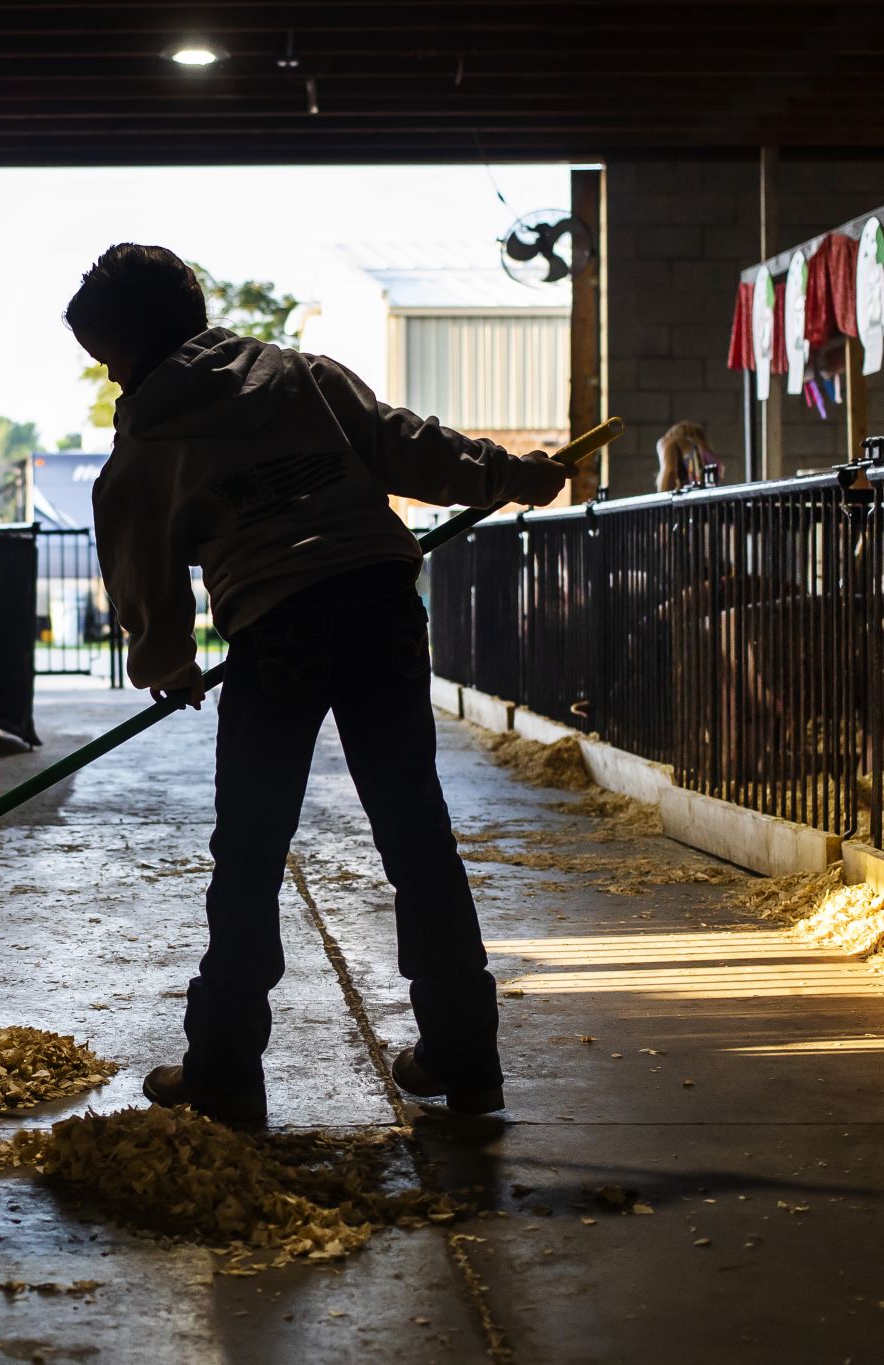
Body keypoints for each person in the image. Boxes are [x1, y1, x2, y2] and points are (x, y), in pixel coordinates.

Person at [71, 244, 568, 1121]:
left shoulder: (148, 437)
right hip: (381, 602)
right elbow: (412, 448)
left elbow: (137, 558)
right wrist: (514, 478)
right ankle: (465, 1053)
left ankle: (223, 1068)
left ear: (132, 346)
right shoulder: (298, 373)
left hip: (279, 629)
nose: (111, 379)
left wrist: (167, 662)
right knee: (416, 834)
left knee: (252, 852)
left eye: (109, 358)